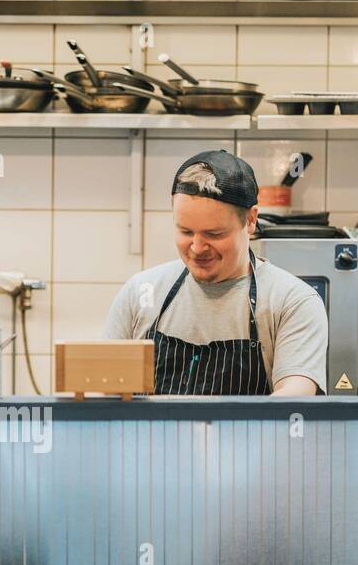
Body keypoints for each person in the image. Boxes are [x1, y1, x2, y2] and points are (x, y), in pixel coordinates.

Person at [104, 149, 328, 396]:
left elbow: (294, 397)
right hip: (149, 437)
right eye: (186, 232)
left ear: (251, 220)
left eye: (214, 234)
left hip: (251, 436)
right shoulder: (141, 292)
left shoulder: (292, 302)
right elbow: (105, 391)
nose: (197, 248)